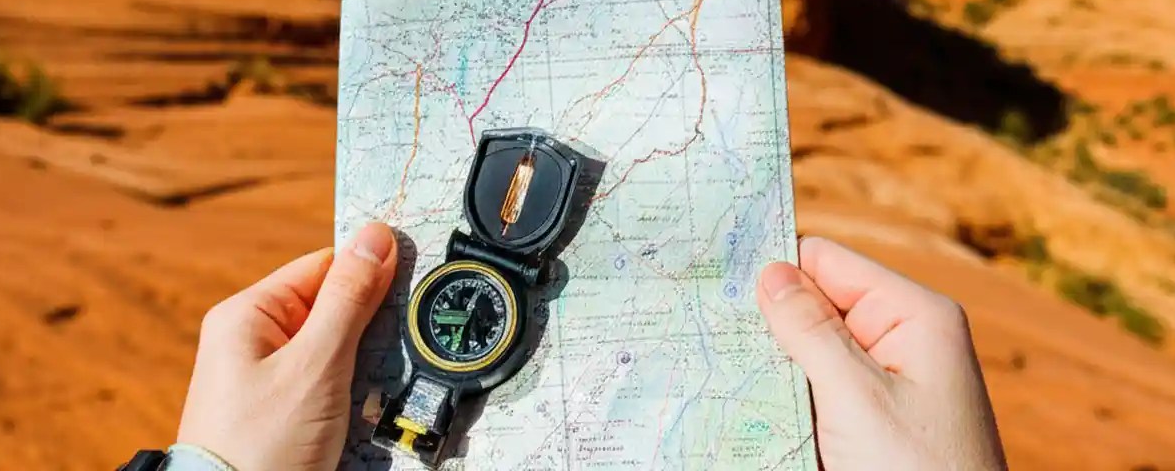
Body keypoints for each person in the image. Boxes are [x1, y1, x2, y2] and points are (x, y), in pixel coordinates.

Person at [153, 222, 1008, 470]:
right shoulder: (453, 347)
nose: (457, 332)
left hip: (466, 313)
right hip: (456, 330)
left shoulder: (471, 341)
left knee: (465, 324)